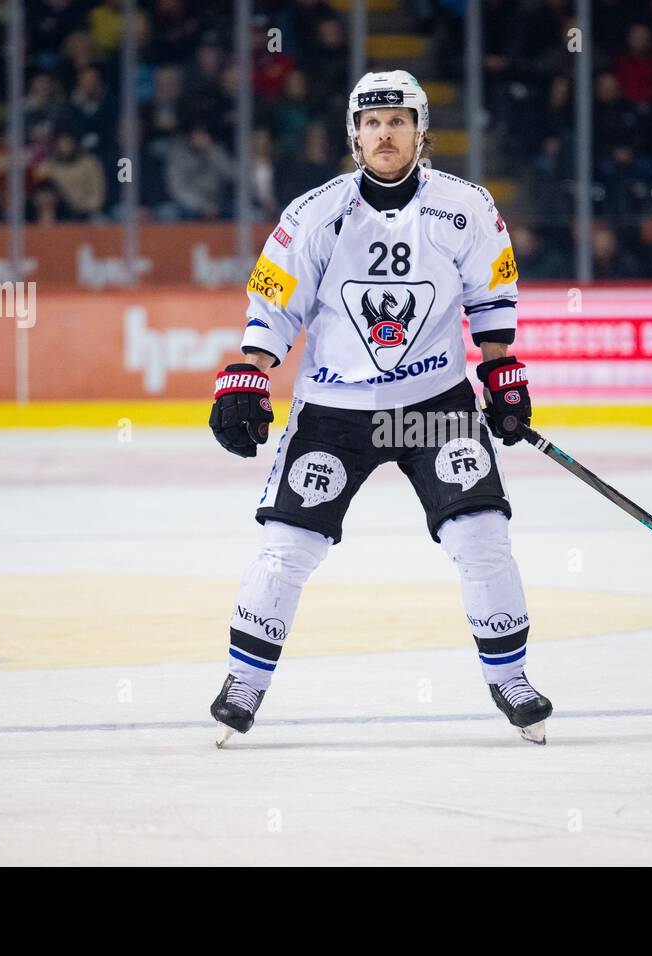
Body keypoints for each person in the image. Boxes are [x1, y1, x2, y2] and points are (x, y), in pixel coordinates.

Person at [207, 70, 551, 747]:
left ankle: (510, 678)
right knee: (287, 548)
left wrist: (502, 369)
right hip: (335, 412)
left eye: (398, 120)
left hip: (433, 405)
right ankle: (243, 683)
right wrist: (249, 375)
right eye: (372, 123)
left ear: (421, 133)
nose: (384, 132)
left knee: (480, 536)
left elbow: (491, 293)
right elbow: (275, 307)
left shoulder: (467, 207)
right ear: (353, 135)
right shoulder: (314, 213)